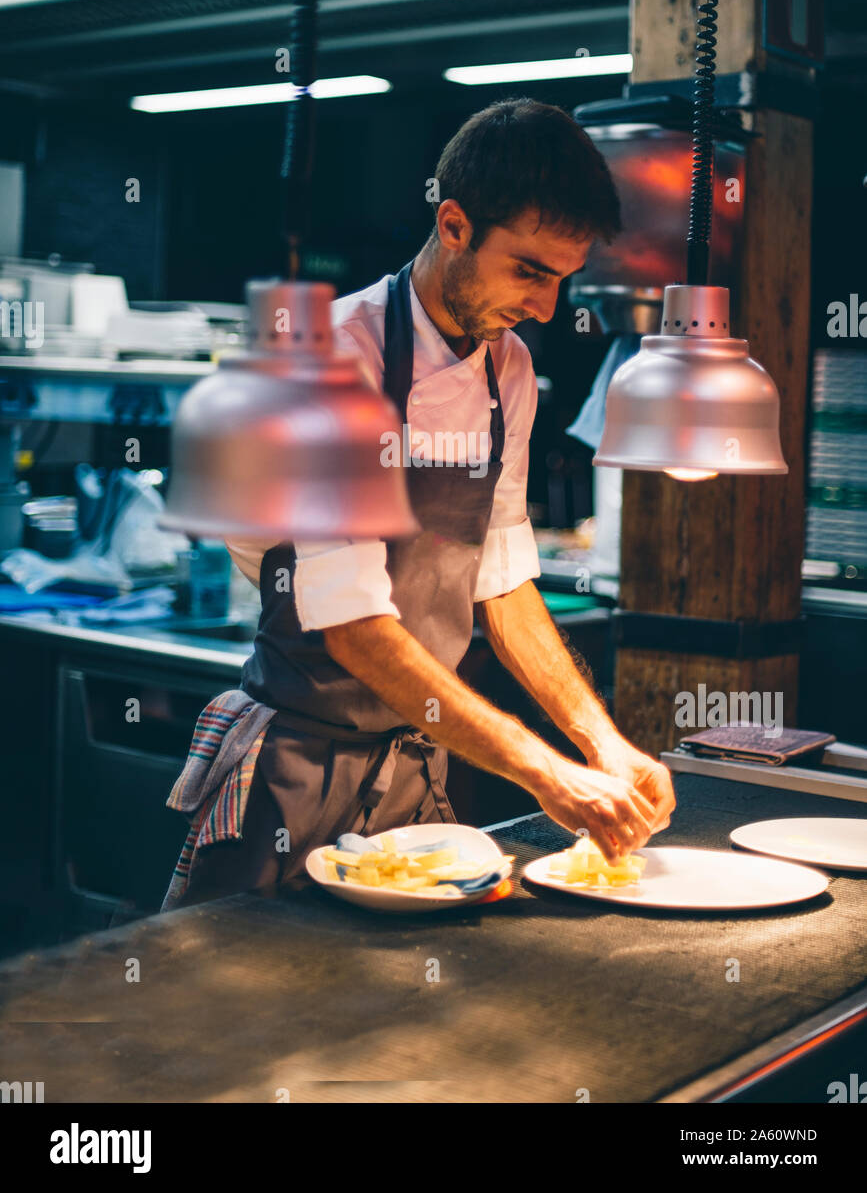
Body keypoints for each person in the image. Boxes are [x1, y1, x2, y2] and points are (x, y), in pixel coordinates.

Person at [162, 97, 675, 909]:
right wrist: (546, 772)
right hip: (293, 773)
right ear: (455, 224)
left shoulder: (507, 372)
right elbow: (357, 629)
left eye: (562, 280)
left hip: (416, 773)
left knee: (400, 1020)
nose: (546, 307)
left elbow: (502, 582)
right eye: (529, 272)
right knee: (238, 1009)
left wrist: (600, 742)